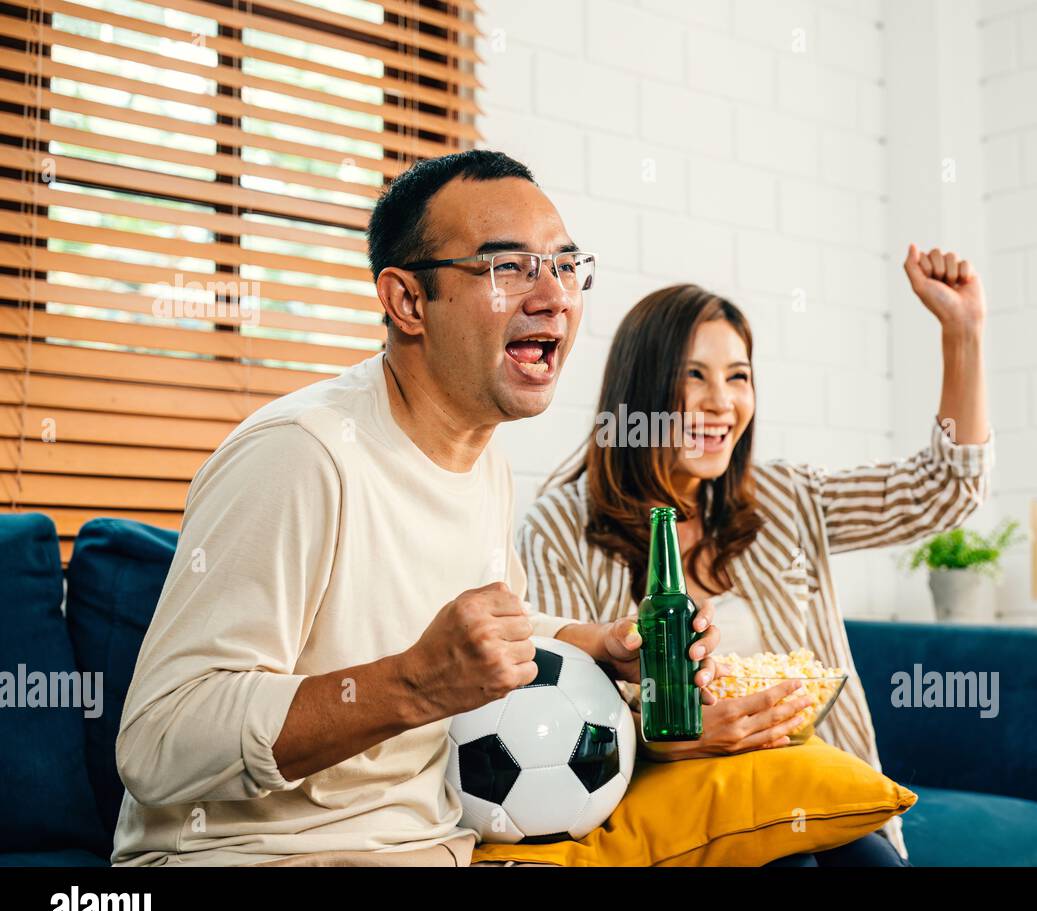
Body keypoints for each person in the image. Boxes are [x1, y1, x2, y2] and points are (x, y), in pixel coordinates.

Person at [111, 149, 725, 866]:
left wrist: (588, 642)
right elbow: (158, 742)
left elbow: (437, 627)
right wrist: (409, 685)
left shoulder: (482, 457)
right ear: (408, 302)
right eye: (507, 267)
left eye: (564, 265)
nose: (554, 295)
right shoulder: (301, 455)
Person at [519, 248, 995, 866]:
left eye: (738, 376)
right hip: (675, 811)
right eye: (693, 375)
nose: (721, 402)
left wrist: (963, 333)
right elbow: (563, 711)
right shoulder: (559, 526)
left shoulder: (787, 499)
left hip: (812, 791)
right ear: (638, 391)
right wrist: (670, 736)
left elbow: (944, 489)